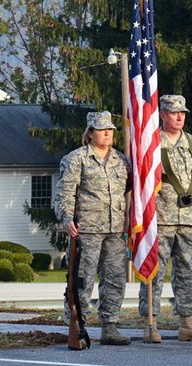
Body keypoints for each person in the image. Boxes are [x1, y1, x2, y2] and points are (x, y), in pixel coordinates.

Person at [139, 95, 192, 343]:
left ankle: (187, 322)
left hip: (188, 218)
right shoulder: (152, 142)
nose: (180, 116)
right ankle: (150, 321)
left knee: (186, 270)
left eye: (182, 112)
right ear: (162, 114)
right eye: (174, 112)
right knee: (155, 270)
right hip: (161, 217)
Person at [53, 111, 132, 346]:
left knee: (115, 279)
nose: (107, 133)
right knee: (82, 281)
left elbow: (127, 190)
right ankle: (77, 326)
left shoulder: (122, 161)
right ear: (90, 133)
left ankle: (110, 326)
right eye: (101, 129)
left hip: (115, 230)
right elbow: (64, 193)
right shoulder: (76, 159)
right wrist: (67, 218)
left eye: (110, 129)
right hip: (86, 231)